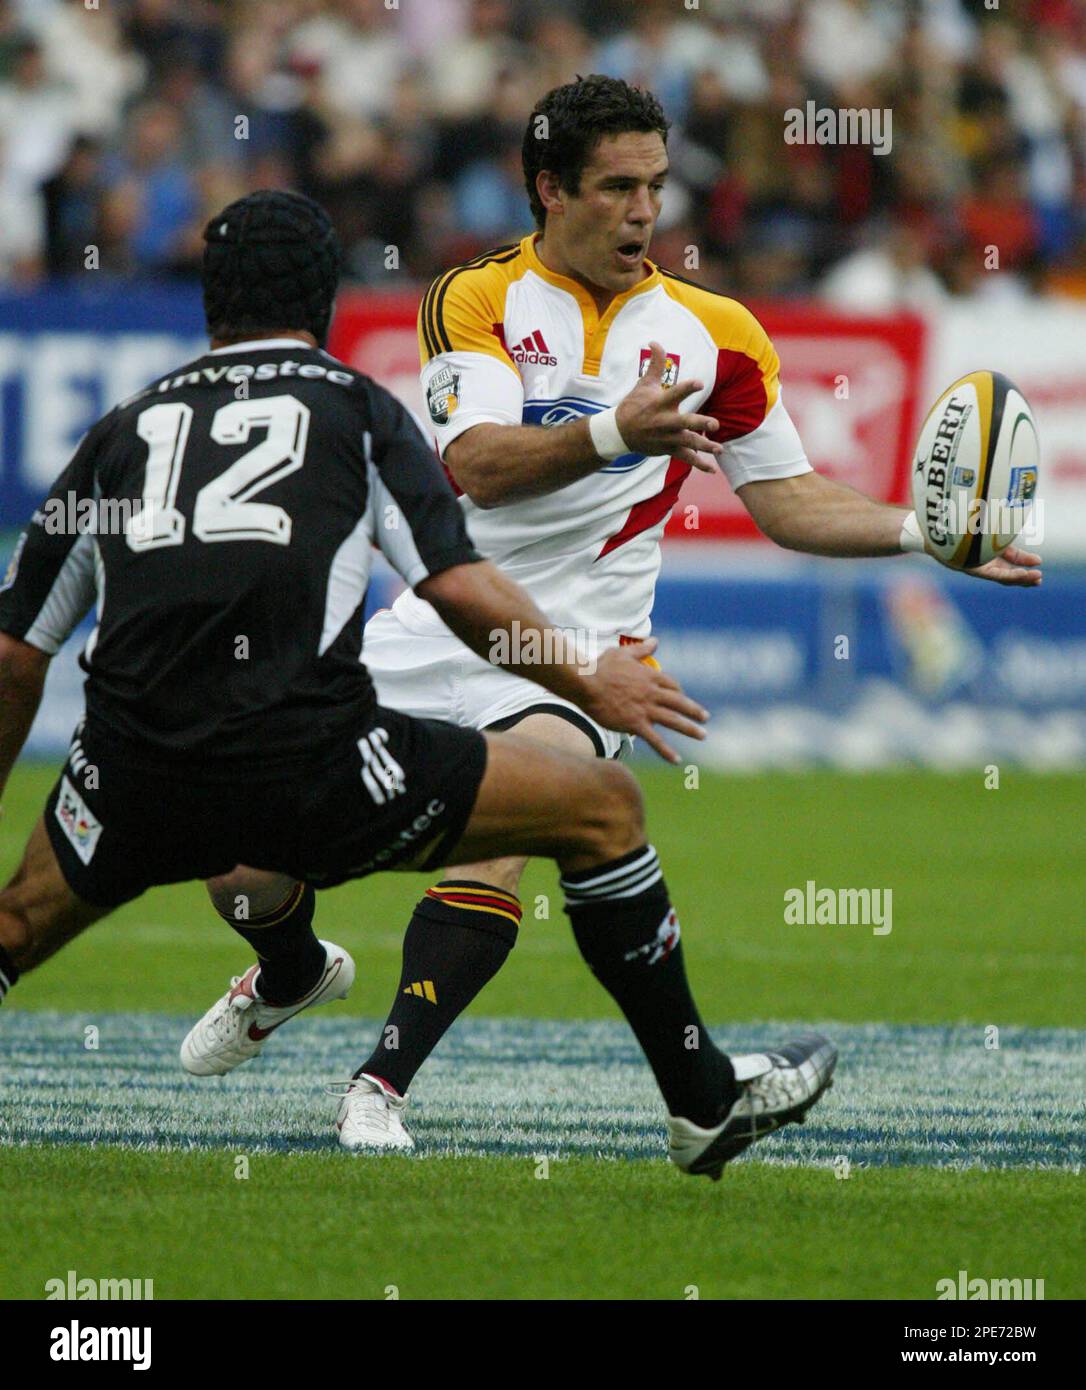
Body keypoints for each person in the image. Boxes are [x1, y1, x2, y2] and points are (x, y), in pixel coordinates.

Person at [199, 76, 1040, 1149]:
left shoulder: (718, 334)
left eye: (656, 185)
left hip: (583, 651)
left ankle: (379, 1088)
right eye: (616, 187)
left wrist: (926, 533)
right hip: (439, 619)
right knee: (236, 855)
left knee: (521, 810)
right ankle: (291, 970)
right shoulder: (475, 298)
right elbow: (478, 468)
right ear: (551, 190)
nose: (646, 211)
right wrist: (613, 435)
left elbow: (784, 501)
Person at [0, 188, 837, 1178]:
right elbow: (459, 588)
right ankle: (701, 1102)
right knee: (602, 808)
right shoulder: (354, 411)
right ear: (328, 301)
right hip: (310, 766)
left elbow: (17, 655)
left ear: (208, 304)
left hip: (130, 777)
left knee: (18, 926)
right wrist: (589, 680)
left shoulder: (119, 433)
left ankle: (299, 975)